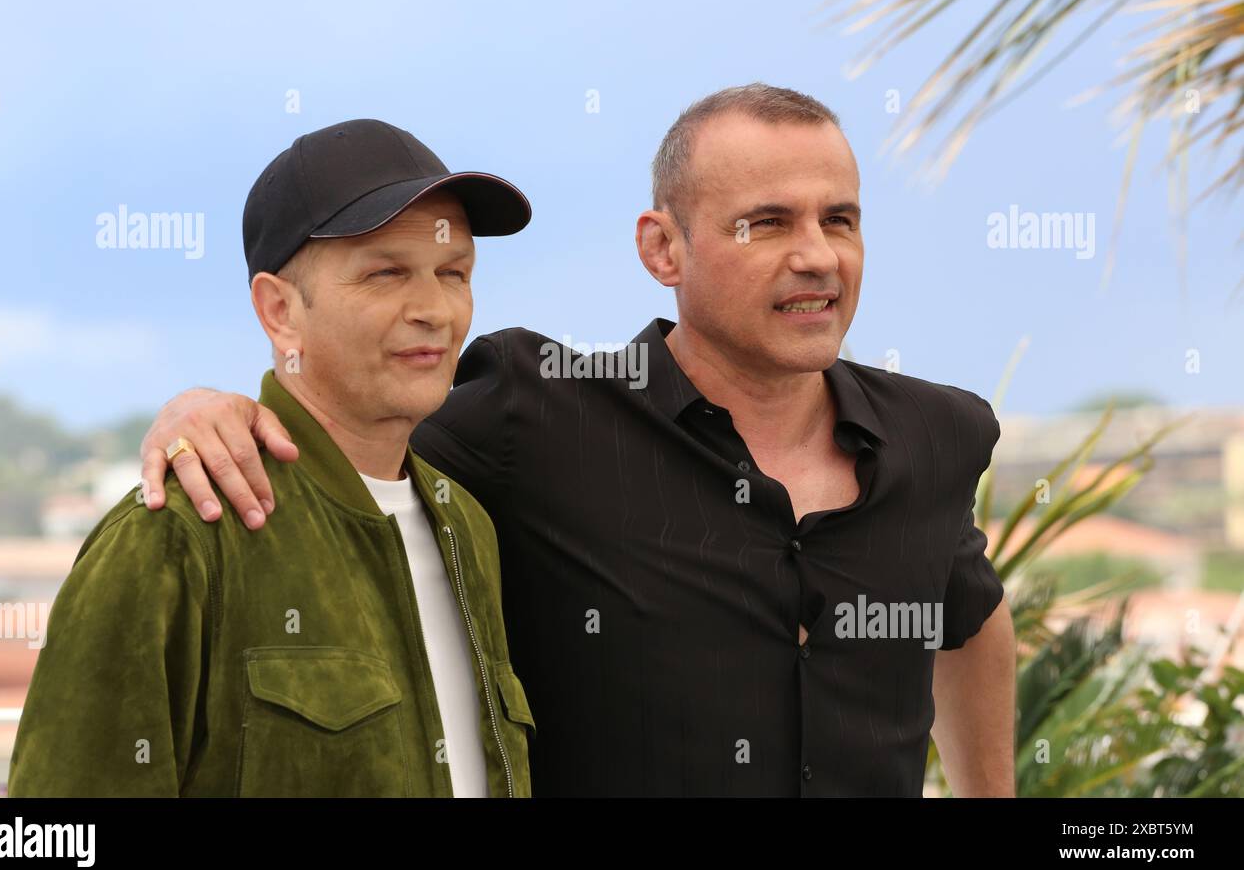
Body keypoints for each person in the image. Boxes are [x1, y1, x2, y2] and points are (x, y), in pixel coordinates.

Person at [138, 84, 1017, 797]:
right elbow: (350, 421)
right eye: (767, 223)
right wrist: (206, 407)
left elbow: (968, 615)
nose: (819, 254)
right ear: (662, 248)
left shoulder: (936, 435)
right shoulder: (537, 417)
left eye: (841, 220)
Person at [9, 119, 537, 796]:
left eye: (454, 272)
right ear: (279, 311)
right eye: (385, 273)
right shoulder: (175, 532)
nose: (434, 309)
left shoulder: (467, 525)